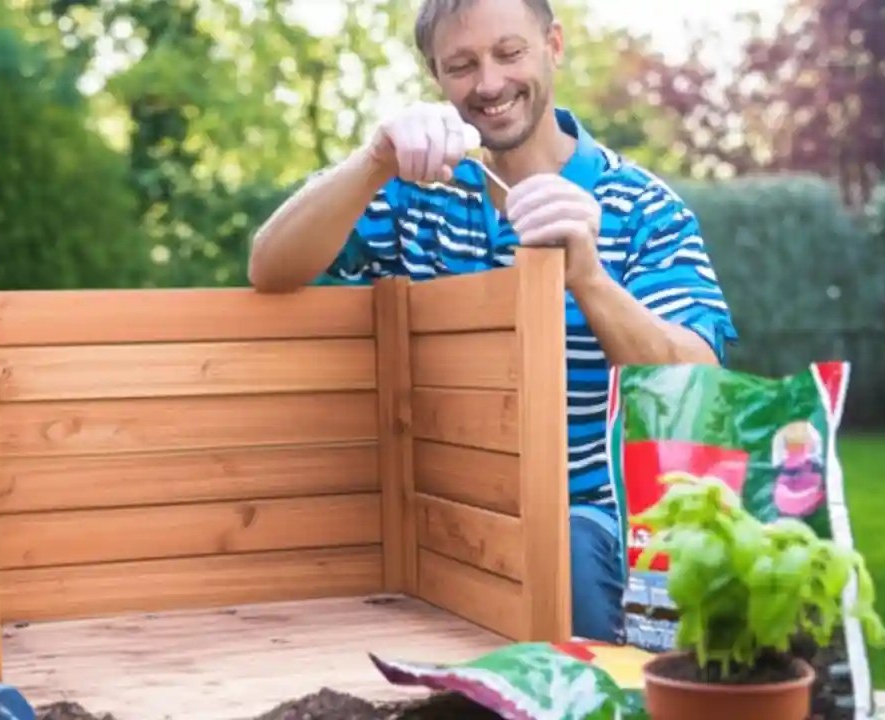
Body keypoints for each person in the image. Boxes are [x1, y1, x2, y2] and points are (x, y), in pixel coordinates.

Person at [246, 0, 738, 643]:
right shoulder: (412, 195)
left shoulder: (644, 207)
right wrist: (373, 160)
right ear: (436, 76)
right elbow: (271, 268)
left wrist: (588, 278)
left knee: (567, 556)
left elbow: (694, 383)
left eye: (509, 53)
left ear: (553, 45)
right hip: (439, 518)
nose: (489, 84)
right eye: (461, 65)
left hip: (588, 523)